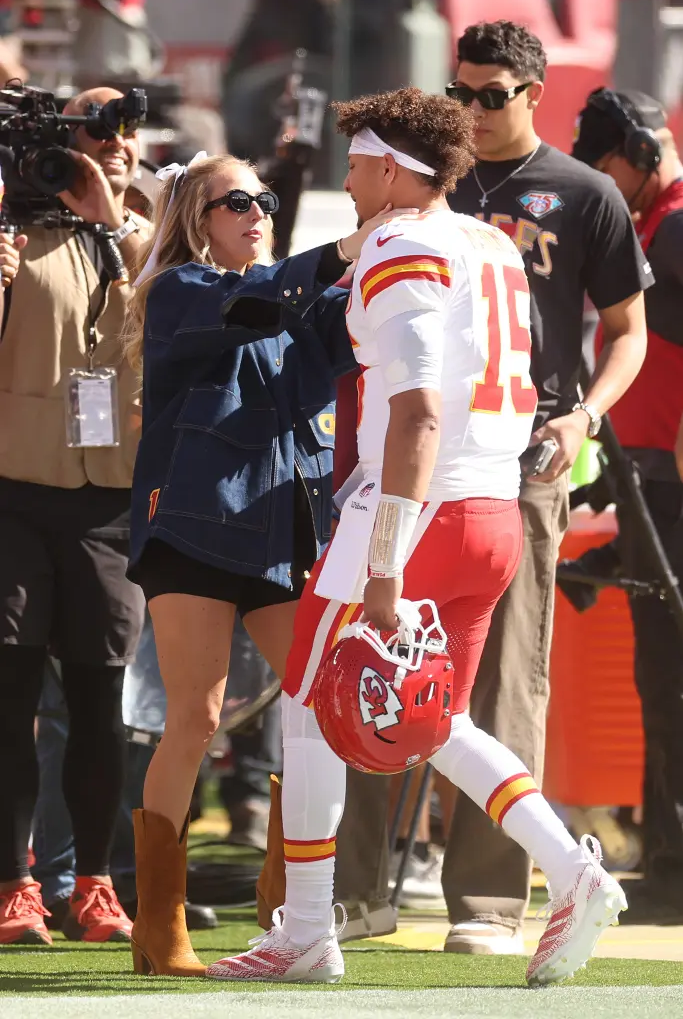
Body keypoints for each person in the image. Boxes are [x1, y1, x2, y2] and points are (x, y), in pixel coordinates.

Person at [205, 86, 628, 989]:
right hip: (491, 512)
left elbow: (419, 414)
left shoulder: (406, 240)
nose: (347, 178)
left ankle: (308, 927)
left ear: (393, 168)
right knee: (435, 722)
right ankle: (571, 869)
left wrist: (386, 560)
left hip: (416, 511)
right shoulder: (479, 236)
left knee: (311, 705)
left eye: (357, 163)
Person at [122, 150, 401, 977]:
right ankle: (157, 924)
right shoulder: (177, 291)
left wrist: (407, 256)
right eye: (235, 201)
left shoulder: (287, 299)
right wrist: (352, 244)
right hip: (195, 531)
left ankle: (293, 915)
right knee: (196, 717)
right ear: (196, 219)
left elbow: (344, 332)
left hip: (281, 534)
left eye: (265, 200)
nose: (255, 212)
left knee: (319, 707)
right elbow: (262, 299)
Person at [0, 87, 148, 947]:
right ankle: (15, 885)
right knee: (10, 696)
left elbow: (176, 317)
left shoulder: (157, 228)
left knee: (100, 704)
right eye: (96, 128)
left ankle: (94, 882)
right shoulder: (16, 231)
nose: (115, 142)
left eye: (127, 128)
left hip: (110, 503)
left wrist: (117, 222)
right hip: (13, 491)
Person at [573, 88, 683, 923]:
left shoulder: (676, 222)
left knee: (671, 675)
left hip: (671, 485)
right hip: (645, 477)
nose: (600, 182)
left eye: (606, 163)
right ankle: (664, 858)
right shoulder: (651, 222)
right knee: (658, 675)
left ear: (641, 149)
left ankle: (675, 869)